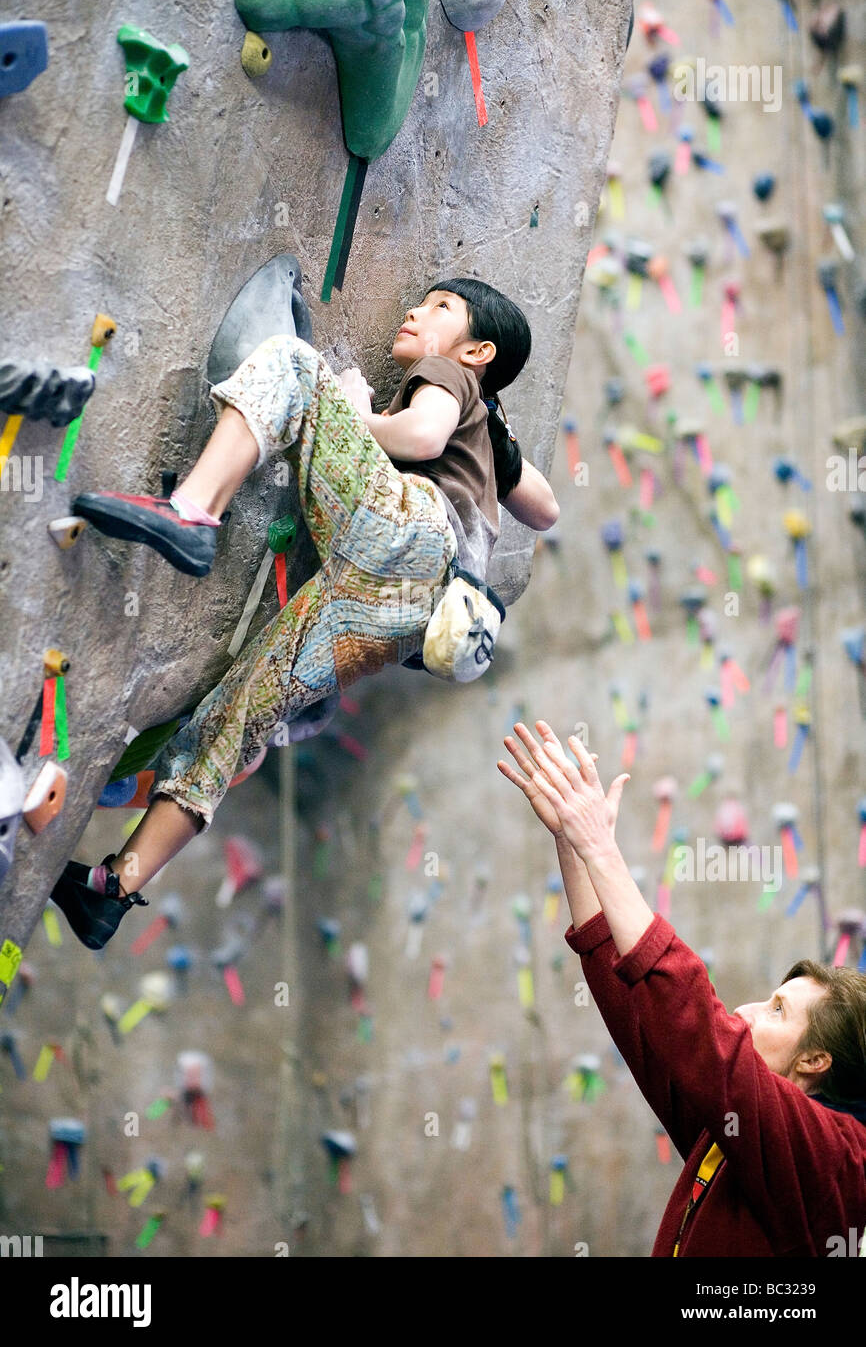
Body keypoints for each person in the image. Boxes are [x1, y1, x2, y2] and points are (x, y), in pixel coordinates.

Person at [51, 280, 559, 949]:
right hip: (405, 618)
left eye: (439, 308)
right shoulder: (489, 428)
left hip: (407, 535)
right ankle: (112, 890)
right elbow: (546, 510)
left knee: (294, 365)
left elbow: (424, 435)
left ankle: (194, 511)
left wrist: (356, 411)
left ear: (476, 350)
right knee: (231, 723)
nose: (414, 310)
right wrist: (502, 447)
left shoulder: (450, 378)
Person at [498, 719, 866, 1257]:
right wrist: (574, 846)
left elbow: (697, 1020)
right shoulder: (736, 1133)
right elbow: (645, 1021)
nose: (746, 1011)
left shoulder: (837, 1155)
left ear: (816, 1060)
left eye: (778, 1011)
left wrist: (602, 849)